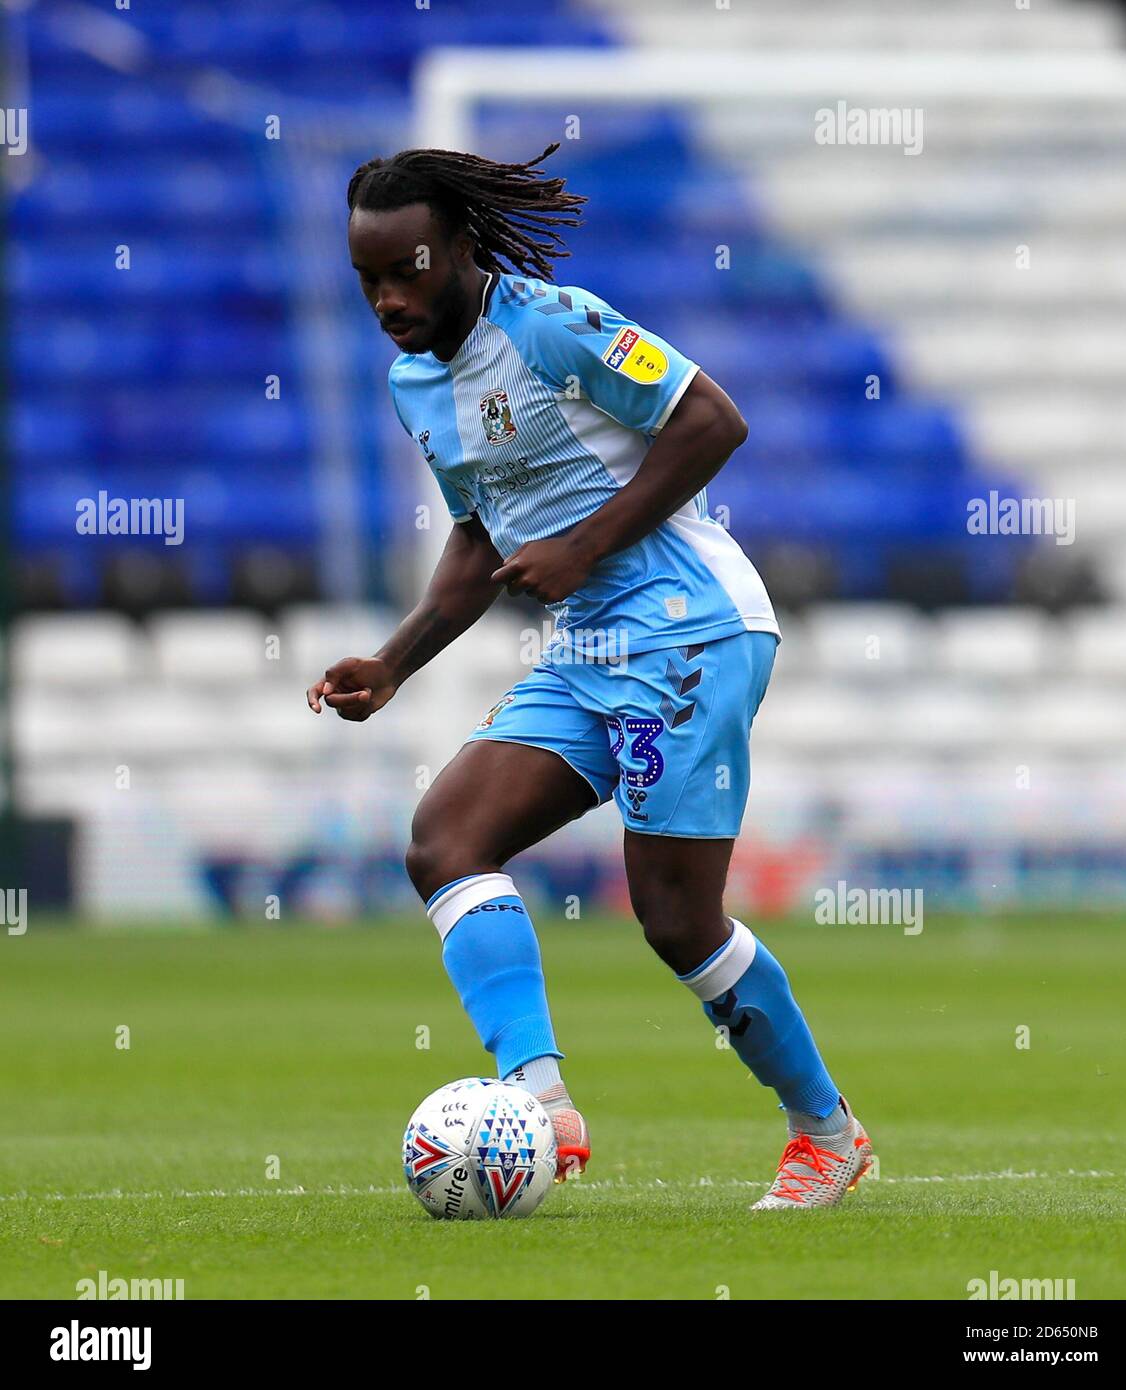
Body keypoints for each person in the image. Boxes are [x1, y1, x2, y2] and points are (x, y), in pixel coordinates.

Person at [307, 142, 871, 1209]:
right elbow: (479, 539)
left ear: (461, 246)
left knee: (674, 920)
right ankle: (538, 1100)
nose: (387, 297)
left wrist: (586, 547)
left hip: (687, 630)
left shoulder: (551, 324)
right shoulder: (413, 382)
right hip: (584, 650)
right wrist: (392, 661)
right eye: (367, 279)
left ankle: (825, 1133)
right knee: (445, 840)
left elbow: (713, 419)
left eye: (407, 268)